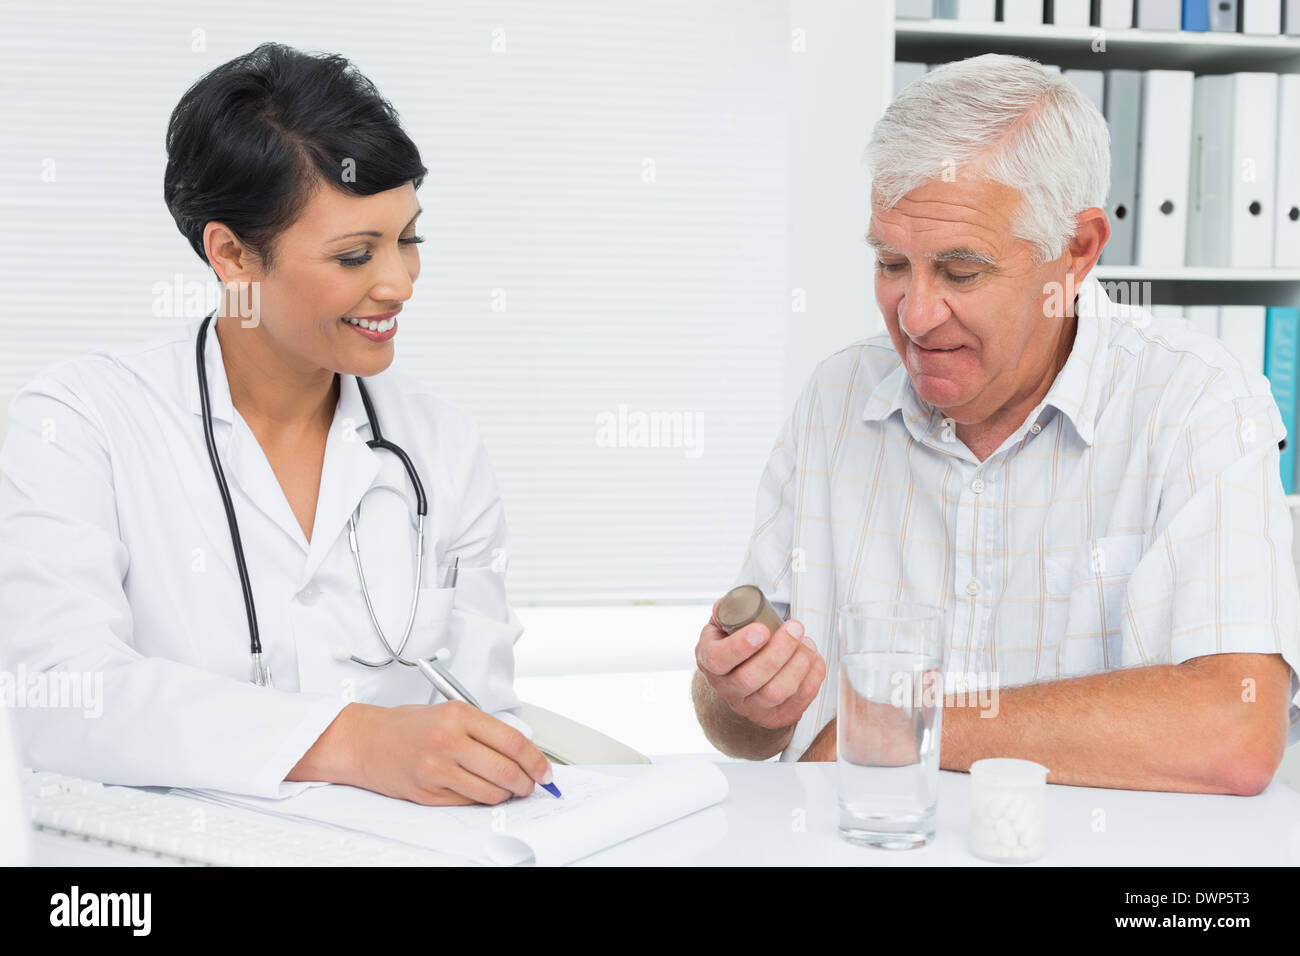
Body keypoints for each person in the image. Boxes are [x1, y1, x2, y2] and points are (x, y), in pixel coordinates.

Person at [692, 53, 1300, 794]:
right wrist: (743, 699)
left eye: (961, 271)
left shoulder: (1197, 402)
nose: (914, 316)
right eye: (891, 263)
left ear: (1076, 252)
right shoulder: (836, 397)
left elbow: (1233, 729)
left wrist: (904, 725)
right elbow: (745, 733)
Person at [0, 42, 552, 805]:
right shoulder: (82, 421)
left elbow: (481, 716)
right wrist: (350, 741)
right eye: (356, 254)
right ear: (230, 254)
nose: (399, 283)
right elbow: (57, 697)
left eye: (409, 238)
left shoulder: (442, 449)